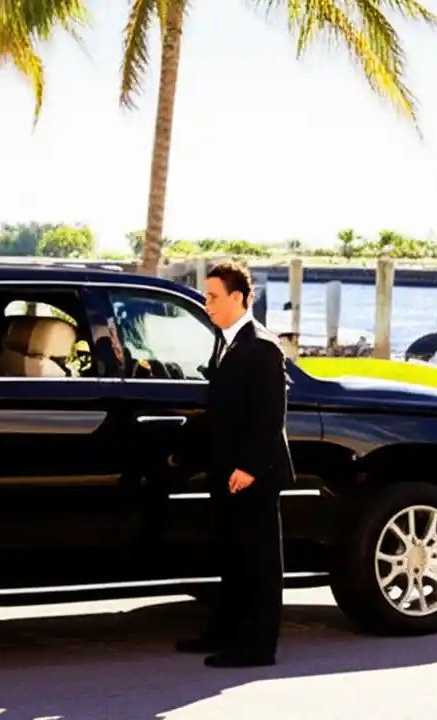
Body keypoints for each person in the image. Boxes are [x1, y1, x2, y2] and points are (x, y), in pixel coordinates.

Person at [169, 261, 296, 668]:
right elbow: (221, 408)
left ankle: (259, 646)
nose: (206, 303)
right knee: (231, 557)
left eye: (213, 296)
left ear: (237, 298)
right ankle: (224, 632)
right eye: (206, 296)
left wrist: (250, 468)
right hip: (228, 472)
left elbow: (269, 416)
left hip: (253, 474)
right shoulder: (226, 341)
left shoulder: (260, 346)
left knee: (259, 563)